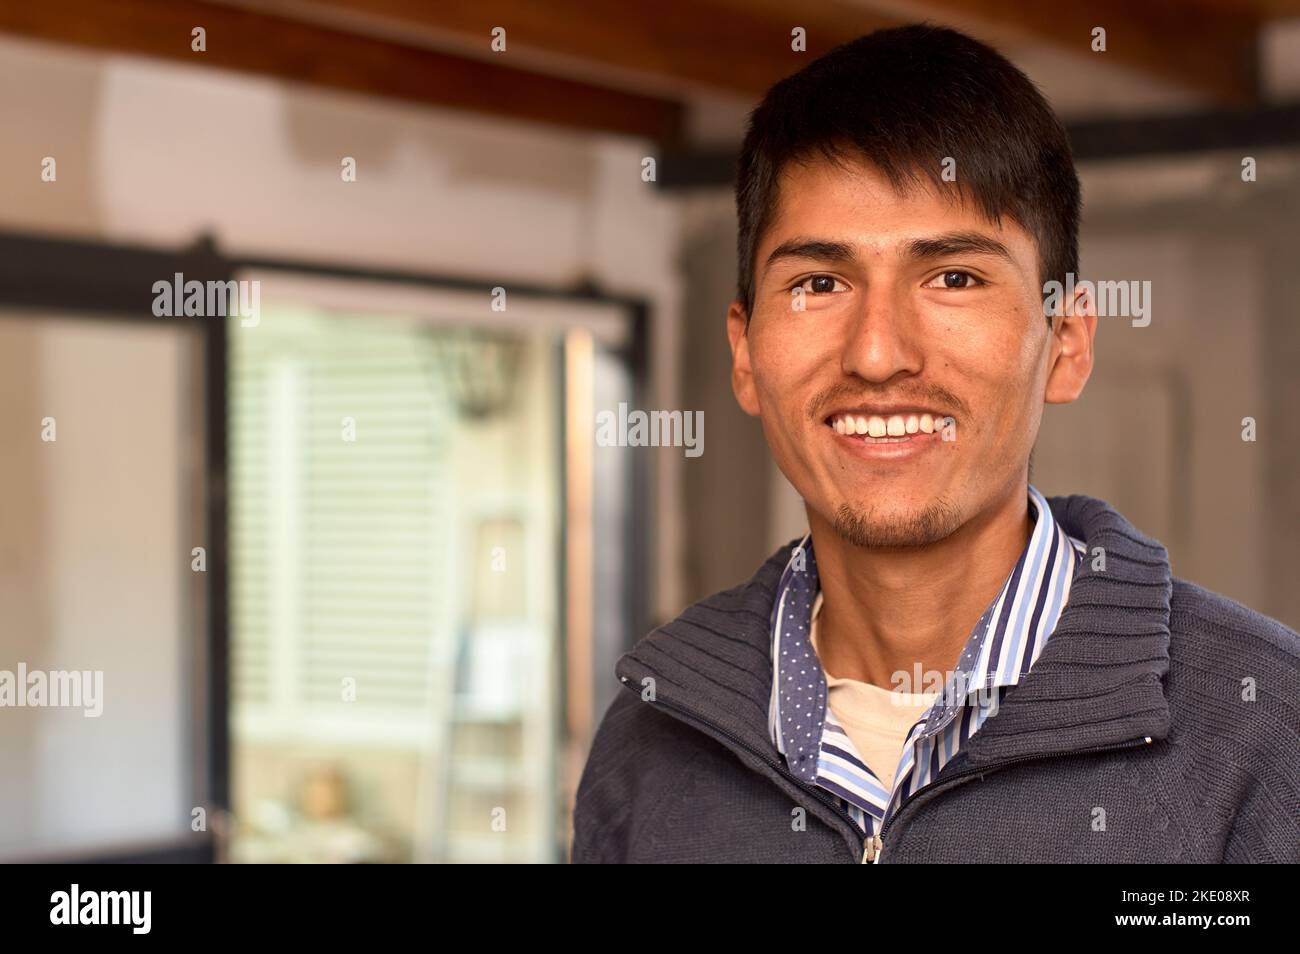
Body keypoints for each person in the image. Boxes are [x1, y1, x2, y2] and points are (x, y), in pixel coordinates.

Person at [572, 24, 1300, 863]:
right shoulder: (652, 739)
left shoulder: (1265, 734)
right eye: (819, 282)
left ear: (1066, 341)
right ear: (744, 353)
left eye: (953, 277)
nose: (878, 353)